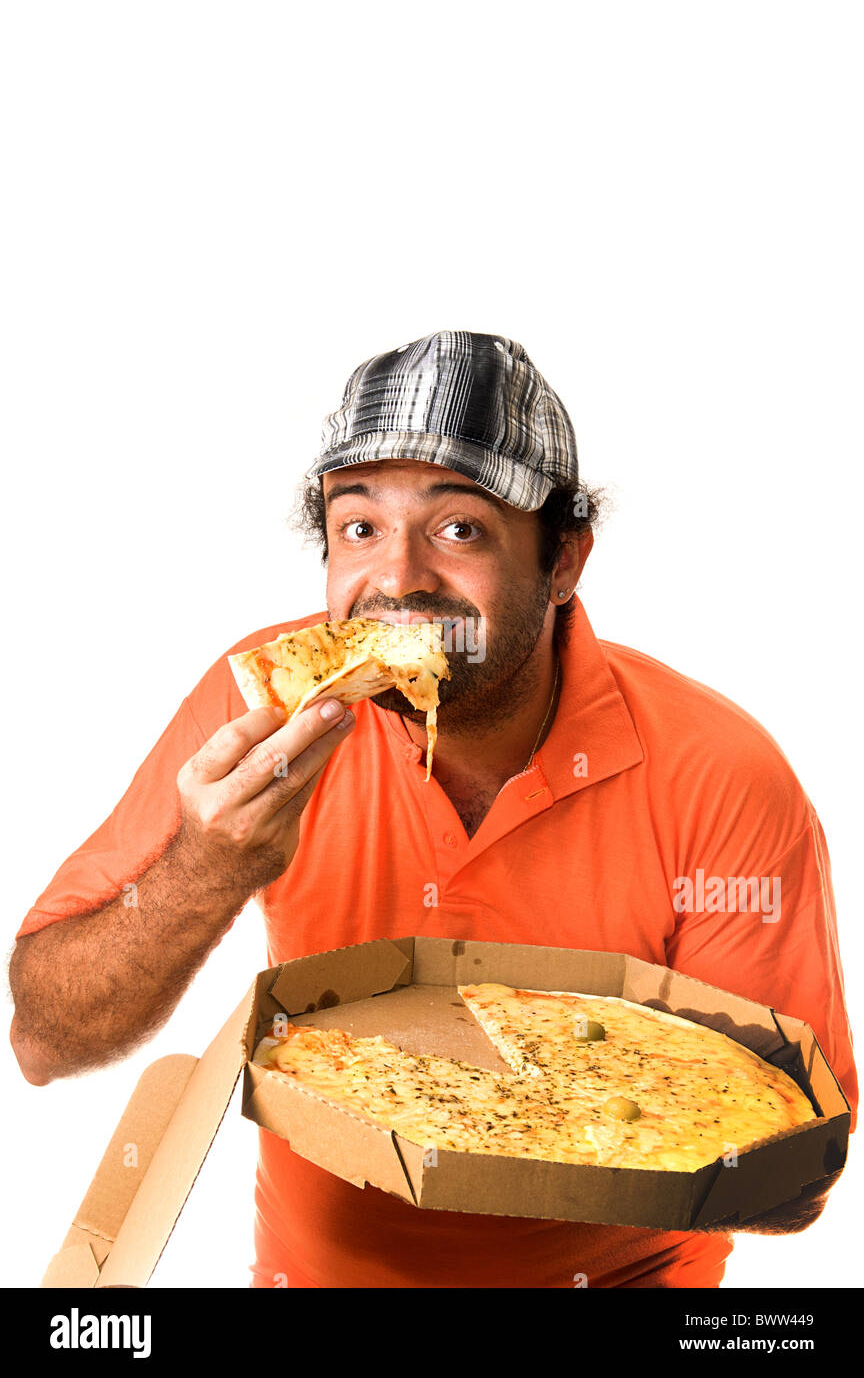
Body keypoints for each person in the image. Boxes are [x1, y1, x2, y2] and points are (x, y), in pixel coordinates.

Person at [9, 331, 857, 1289]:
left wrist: (527, 1103)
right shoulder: (266, 713)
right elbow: (44, 1039)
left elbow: (791, 1179)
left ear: (566, 557)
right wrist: (208, 869)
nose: (398, 580)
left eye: (460, 529)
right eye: (358, 528)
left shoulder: (720, 773)